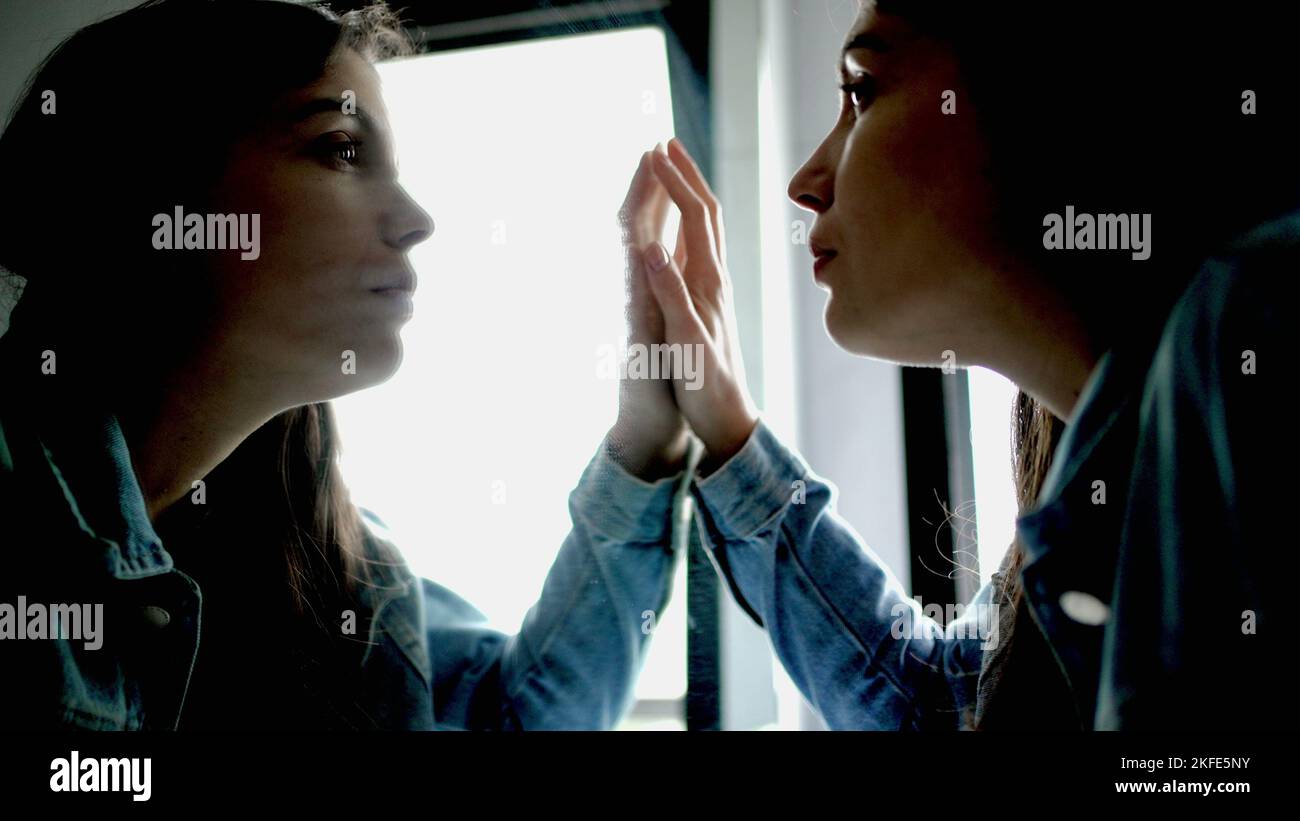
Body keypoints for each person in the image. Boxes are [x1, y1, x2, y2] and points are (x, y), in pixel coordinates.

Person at [612, 0, 1300, 729]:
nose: (808, 181)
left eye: (861, 90)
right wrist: (727, 429)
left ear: (1042, 74)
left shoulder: (1256, 320)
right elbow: (951, 705)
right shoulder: (1116, 469)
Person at [0, 0, 682, 731]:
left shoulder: (338, 569)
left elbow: (515, 718)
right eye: (342, 148)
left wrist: (646, 439)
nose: (418, 219)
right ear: (146, 176)